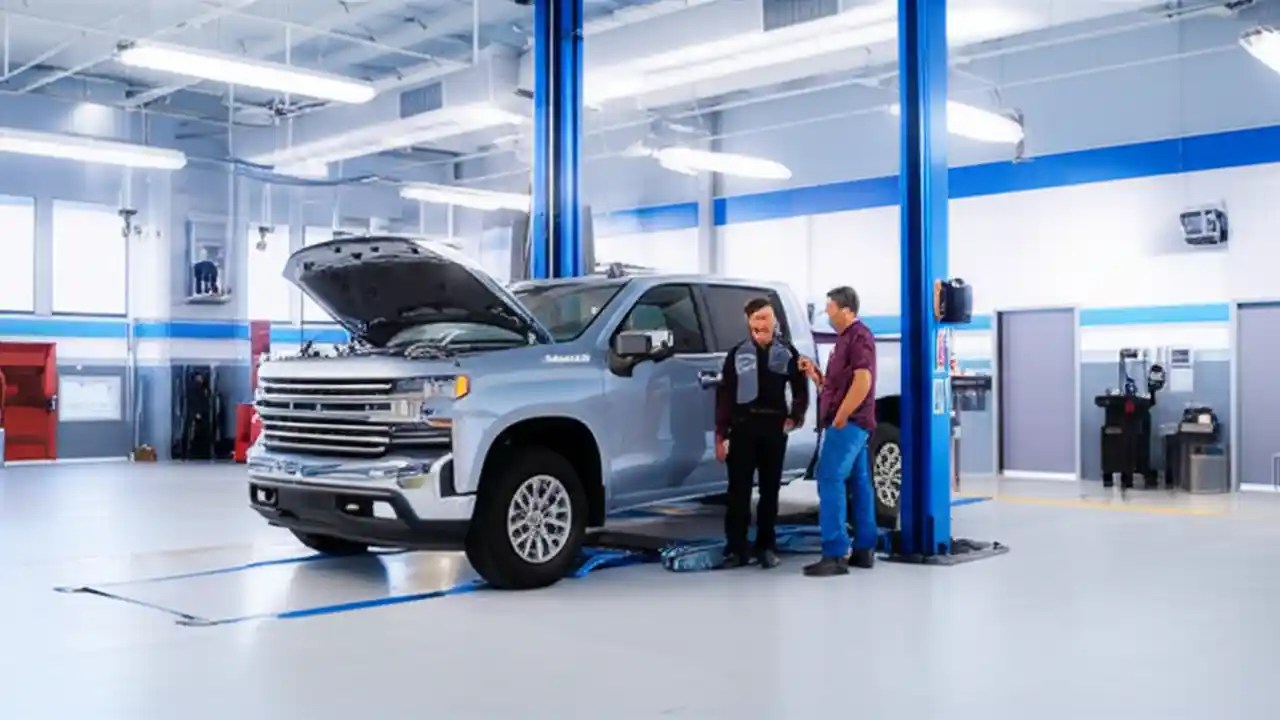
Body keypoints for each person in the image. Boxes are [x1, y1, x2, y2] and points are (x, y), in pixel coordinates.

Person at [715, 297, 809, 569]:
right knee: (738, 492)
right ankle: (736, 548)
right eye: (756, 319)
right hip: (743, 429)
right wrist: (722, 435)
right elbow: (724, 397)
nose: (761, 324)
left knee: (770, 492)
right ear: (748, 322)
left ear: (774, 321)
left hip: (773, 428)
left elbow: (800, 390)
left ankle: (766, 546)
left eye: (765, 318)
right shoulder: (737, 354)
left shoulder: (787, 353)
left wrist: (795, 417)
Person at [798, 286, 878, 577]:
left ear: (846, 309)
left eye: (830, 307)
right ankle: (864, 549)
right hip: (853, 421)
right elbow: (838, 386)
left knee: (829, 477)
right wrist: (816, 375)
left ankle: (834, 553)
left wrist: (842, 416)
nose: (827, 313)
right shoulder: (845, 340)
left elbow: (862, 381)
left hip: (849, 423)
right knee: (858, 482)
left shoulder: (859, 337)